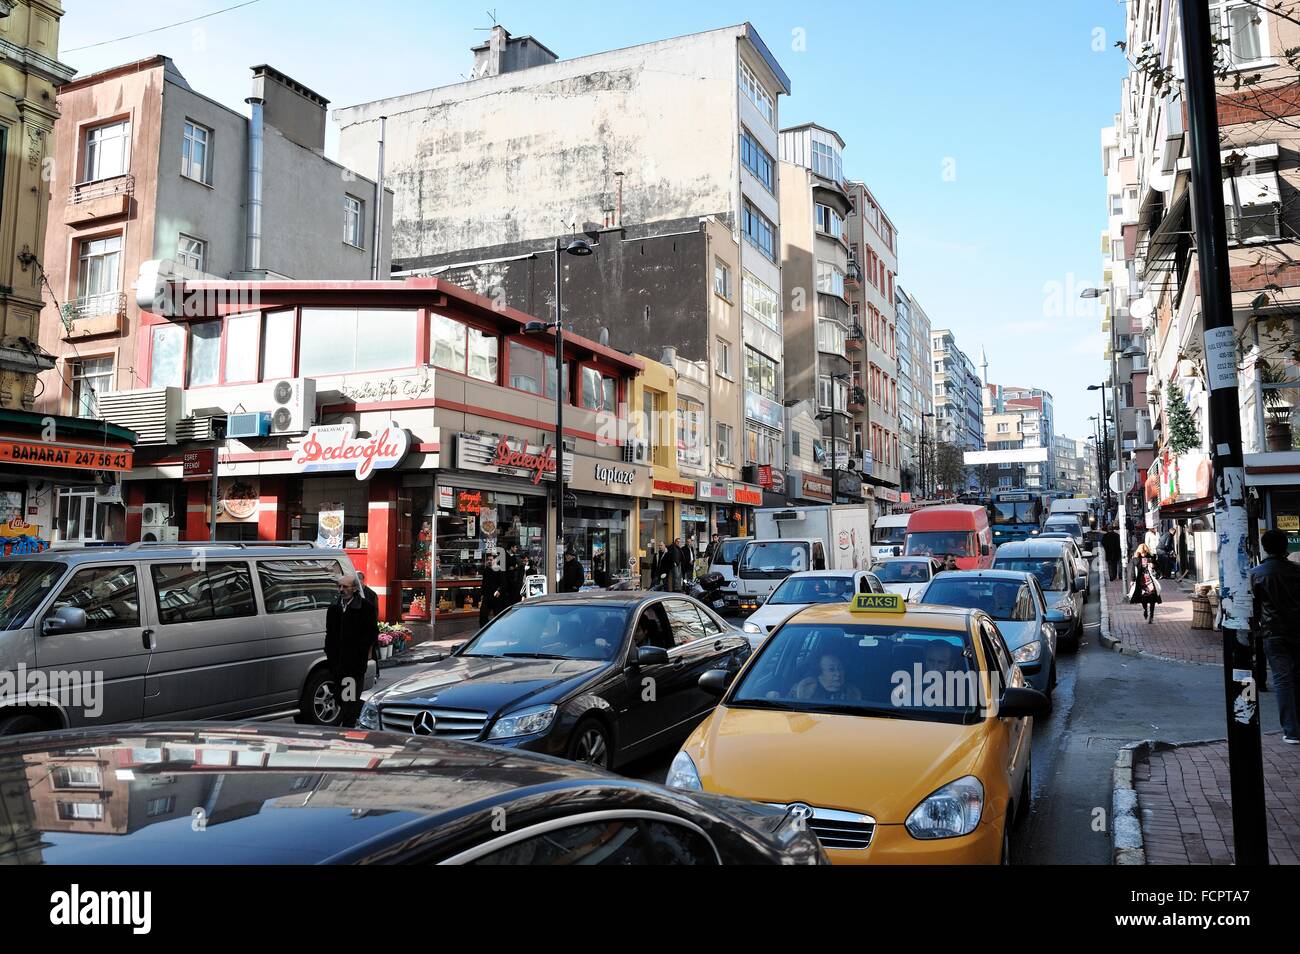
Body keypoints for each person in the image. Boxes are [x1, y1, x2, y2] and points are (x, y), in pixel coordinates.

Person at [1252, 529, 1300, 744]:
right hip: (1296, 630)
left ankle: (1291, 730)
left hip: (1273, 632)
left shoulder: (1257, 573)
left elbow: (1253, 608)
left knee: (1282, 680)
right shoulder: (1296, 571)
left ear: (1264, 547)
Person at [325, 573, 378, 727]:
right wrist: (329, 652)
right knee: (340, 698)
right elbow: (330, 633)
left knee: (349, 700)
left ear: (354, 588)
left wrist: (363, 651)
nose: (341, 590)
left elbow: (371, 633)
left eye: (345, 587)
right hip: (336, 663)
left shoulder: (365, 607)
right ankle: (361, 713)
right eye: (339, 586)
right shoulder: (334, 608)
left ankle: (347, 728)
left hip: (353, 665)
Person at [792, 653, 863, 703]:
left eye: (840, 668)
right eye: (831, 669)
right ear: (819, 672)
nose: (838, 674)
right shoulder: (802, 689)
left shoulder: (853, 693)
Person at [1128, 543, 1162, 623]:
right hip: (1141, 581)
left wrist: (1153, 565)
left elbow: (1158, 566)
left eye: (1145, 552)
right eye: (1142, 552)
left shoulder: (1151, 557)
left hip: (1150, 580)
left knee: (1153, 597)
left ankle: (1152, 616)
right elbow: (1133, 570)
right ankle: (1145, 609)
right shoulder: (1135, 559)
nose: (1143, 554)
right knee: (1143, 598)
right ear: (1139, 552)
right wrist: (1132, 580)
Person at [478, 550, 503, 627]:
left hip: (496, 596)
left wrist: (499, 591)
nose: (489, 561)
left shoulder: (499, 570)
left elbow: (503, 583)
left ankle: (497, 630)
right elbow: (484, 583)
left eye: (491, 560)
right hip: (487, 596)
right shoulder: (486, 570)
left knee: (498, 615)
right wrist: (482, 594)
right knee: (483, 614)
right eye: (488, 560)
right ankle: (485, 630)